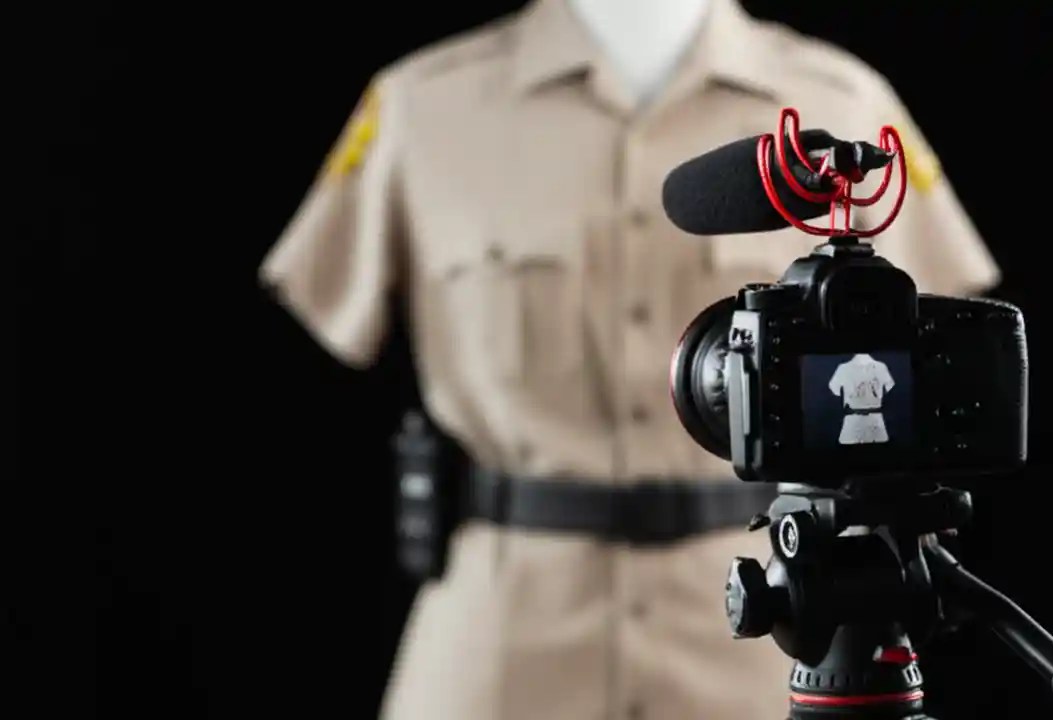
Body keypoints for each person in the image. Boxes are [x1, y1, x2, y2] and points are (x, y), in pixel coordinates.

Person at [257, 0, 1001, 718]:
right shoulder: (420, 108)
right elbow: (334, 311)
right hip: (501, 654)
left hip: (779, 634)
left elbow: (933, 352)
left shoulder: (845, 104)